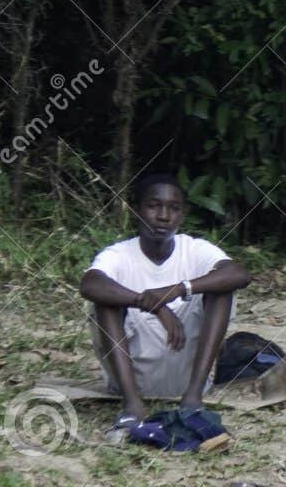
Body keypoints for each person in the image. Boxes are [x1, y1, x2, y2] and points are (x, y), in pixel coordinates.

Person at [79, 174, 252, 448]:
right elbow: (90, 284)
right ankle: (133, 406)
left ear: (182, 214)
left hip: (185, 377)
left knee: (221, 287)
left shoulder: (194, 249)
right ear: (136, 209)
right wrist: (153, 305)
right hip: (129, 375)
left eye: (173, 208)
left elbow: (238, 274)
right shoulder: (119, 254)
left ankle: (193, 400)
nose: (163, 216)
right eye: (153, 206)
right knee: (106, 299)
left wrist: (177, 289)